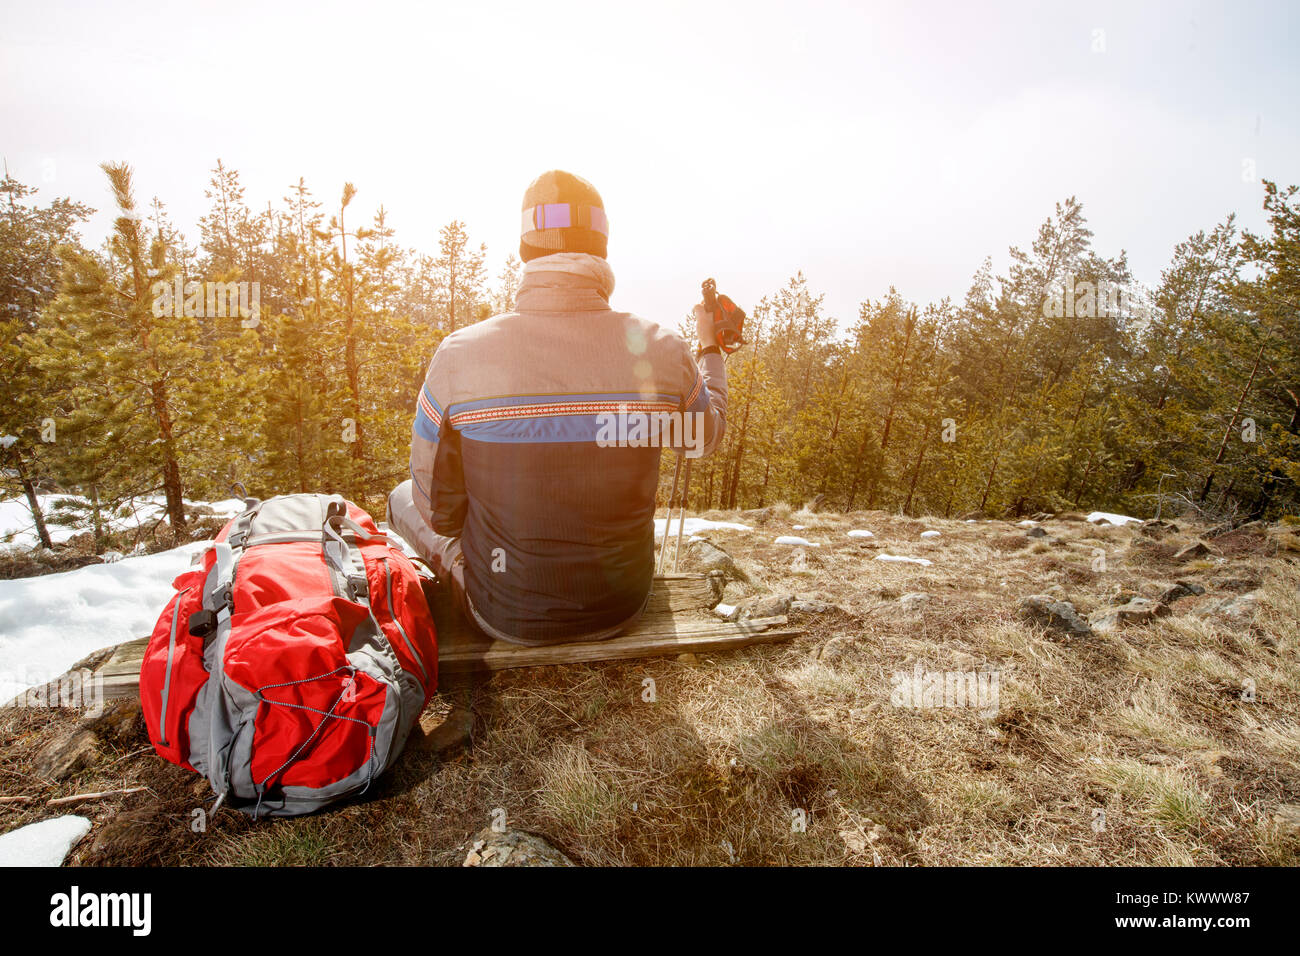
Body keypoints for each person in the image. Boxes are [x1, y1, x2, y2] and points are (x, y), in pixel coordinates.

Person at [387, 170, 728, 646]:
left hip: (504, 615)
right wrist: (711, 349)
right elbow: (705, 441)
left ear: (526, 249)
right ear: (602, 246)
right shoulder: (663, 349)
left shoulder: (459, 354)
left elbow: (437, 512)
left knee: (400, 497)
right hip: (622, 606)